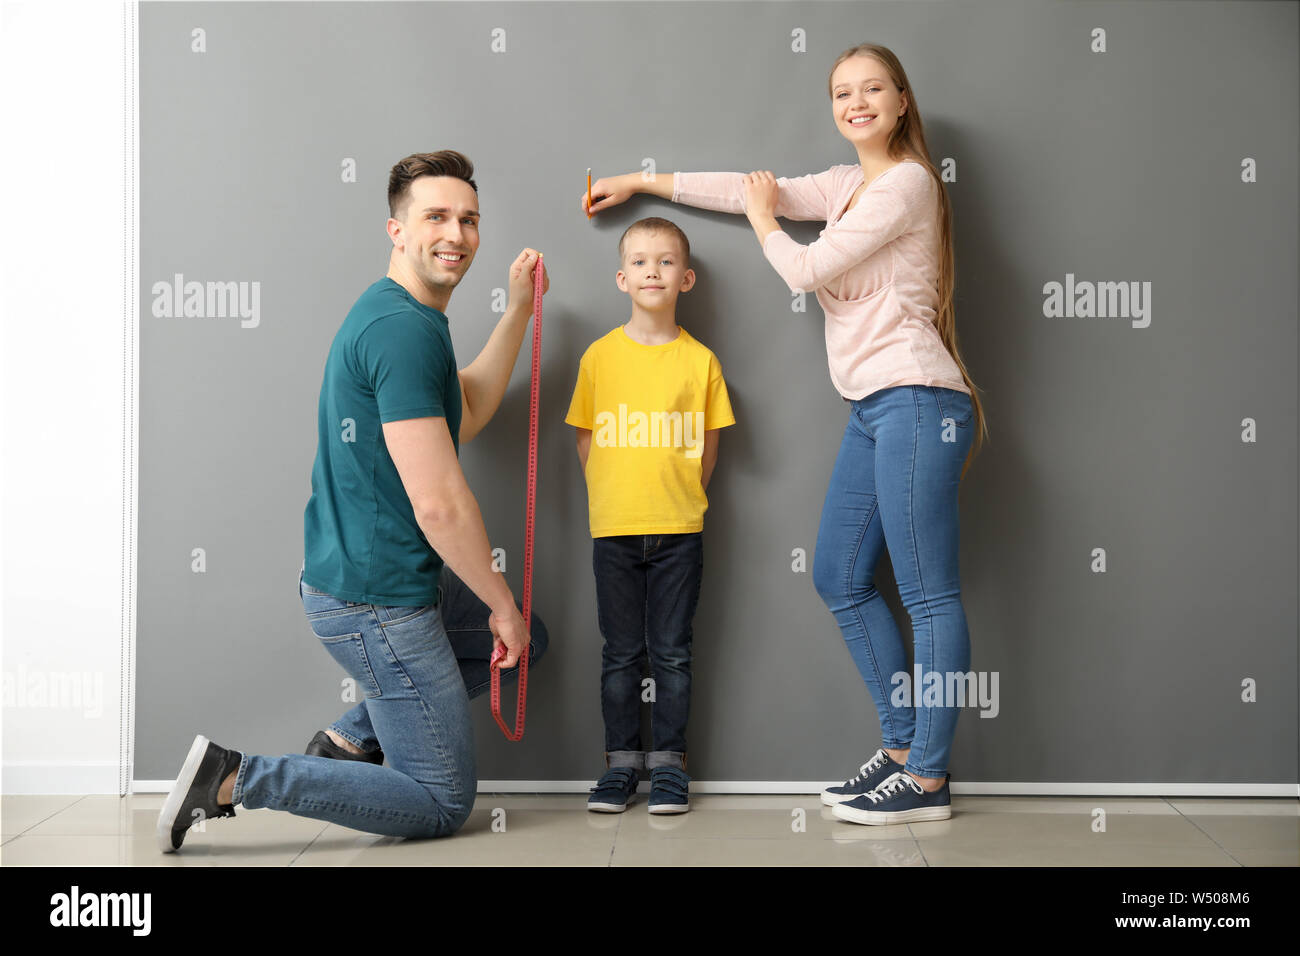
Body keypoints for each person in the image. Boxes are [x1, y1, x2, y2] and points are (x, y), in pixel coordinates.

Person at [582, 44, 987, 825]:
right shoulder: (847, 185)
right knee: (839, 575)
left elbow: (806, 269)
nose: (856, 102)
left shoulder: (906, 184)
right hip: (873, 405)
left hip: (920, 398)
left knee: (929, 593)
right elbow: (744, 190)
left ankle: (928, 778)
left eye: (873, 89)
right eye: (842, 92)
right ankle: (902, 749)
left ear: (903, 102)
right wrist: (640, 181)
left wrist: (769, 220)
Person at [157, 150, 549, 852]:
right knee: (438, 802)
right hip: (377, 604)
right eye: (436, 217)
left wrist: (518, 309)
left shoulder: (406, 315)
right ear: (396, 229)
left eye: (469, 219)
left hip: (381, 583)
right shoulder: (402, 331)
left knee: (528, 639)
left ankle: (350, 740)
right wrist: (498, 603)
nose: (456, 234)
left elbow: (471, 410)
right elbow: (439, 504)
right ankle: (235, 777)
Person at [564, 217, 735, 814]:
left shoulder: (701, 361)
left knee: (672, 652)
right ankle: (619, 766)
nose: (652, 271)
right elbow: (585, 438)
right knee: (619, 653)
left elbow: (709, 446)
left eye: (665, 262)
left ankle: (668, 766)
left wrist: (678, 496)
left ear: (685, 278)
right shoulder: (599, 357)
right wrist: (616, 493)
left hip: (679, 531)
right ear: (621, 277)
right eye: (639, 261)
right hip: (612, 529)